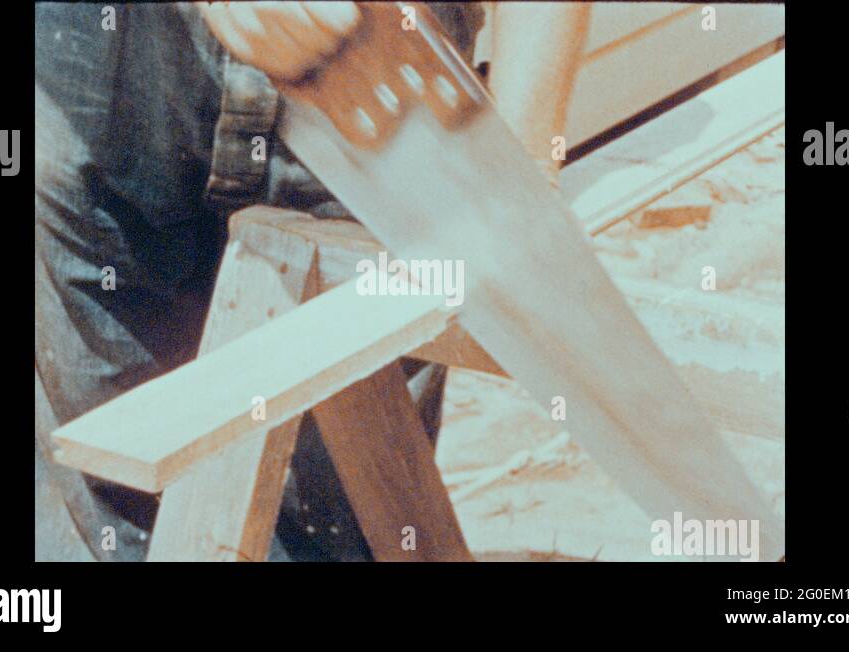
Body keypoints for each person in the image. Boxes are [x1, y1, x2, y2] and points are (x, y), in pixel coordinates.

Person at [35, 1, 589, 561]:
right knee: (118, 503)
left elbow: (523, 162)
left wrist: (522, 163)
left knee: (341, 523)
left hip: (375, 55)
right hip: (103, 60)